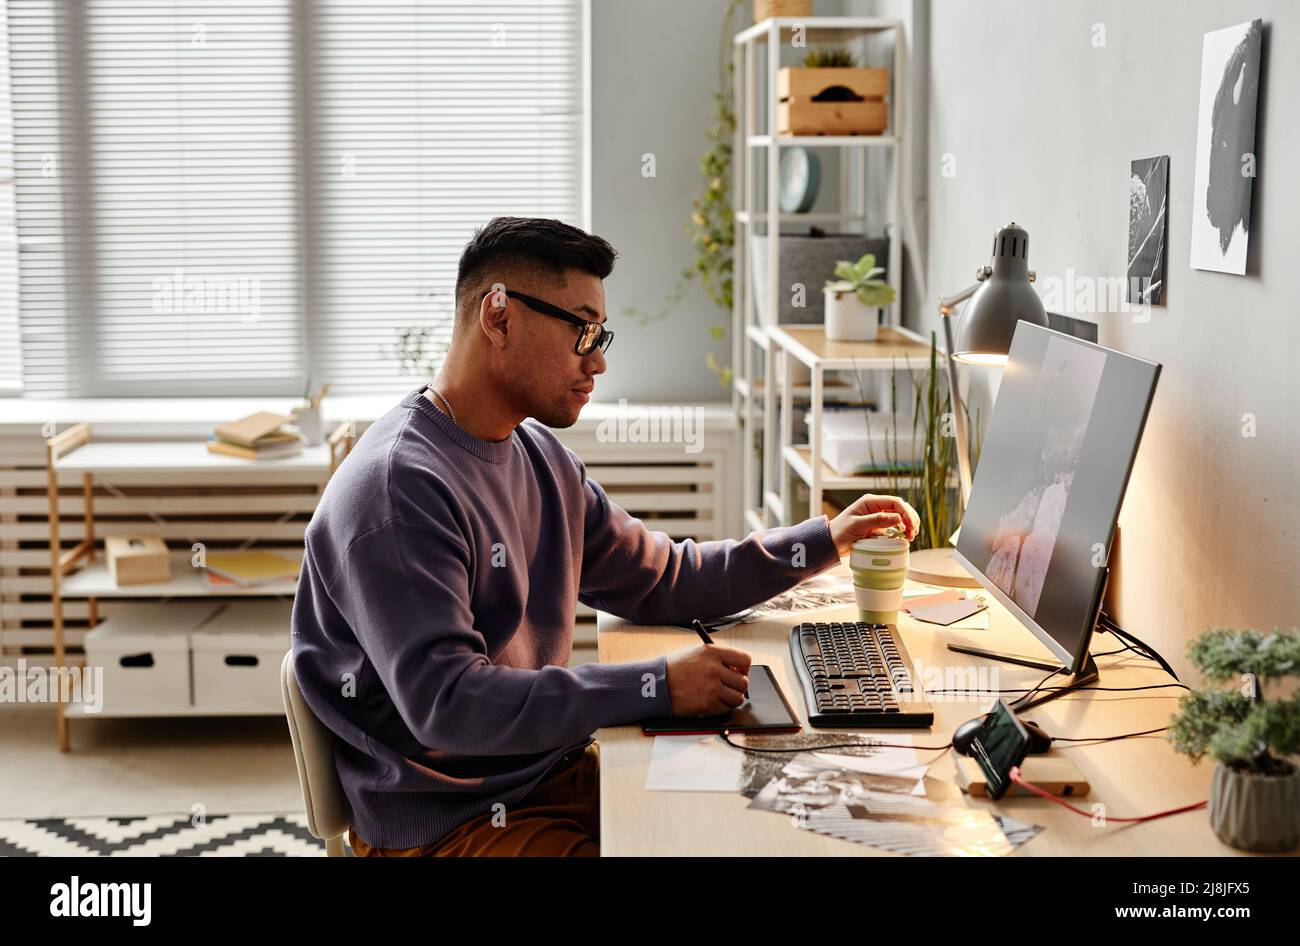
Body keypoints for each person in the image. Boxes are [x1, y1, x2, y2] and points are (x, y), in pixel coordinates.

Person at [291, 216, 920, 857]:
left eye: (601, 333)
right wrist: (656, 685)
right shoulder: (400, 488)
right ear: (499, 317)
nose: (598, 359)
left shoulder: (538, 457)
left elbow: (668, 579)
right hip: (448, 821)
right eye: (582, 330)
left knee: (783, 819)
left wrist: (823, 539)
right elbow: (448, 703)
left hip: (539, 773)